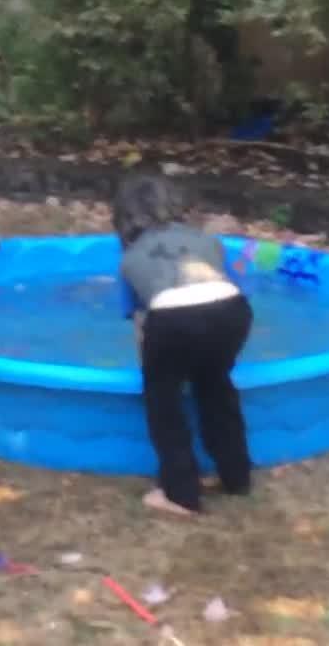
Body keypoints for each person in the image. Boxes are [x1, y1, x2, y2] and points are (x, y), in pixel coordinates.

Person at [111, 174, 255, 516]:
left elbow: (142, 325)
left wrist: (152, 371)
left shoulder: (130, 259)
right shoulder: (207, 241)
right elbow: (220, 290)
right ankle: (236, 477)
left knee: (164, 404)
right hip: (232, 311)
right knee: (217, 387)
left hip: (173, 320)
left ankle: (180, 493)